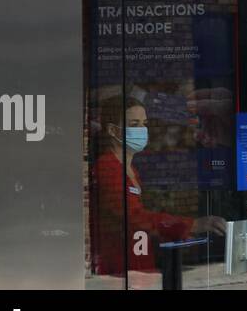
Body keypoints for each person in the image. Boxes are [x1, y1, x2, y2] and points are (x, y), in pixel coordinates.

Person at [91, 94, 226, 279]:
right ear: (113, 131)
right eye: (134, 124)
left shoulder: (130, 169)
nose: (142, 130)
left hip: (139, 264)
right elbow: (135, 218)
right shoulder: (107, 168)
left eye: (144, 124)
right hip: (120, 270)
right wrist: (192, 225)